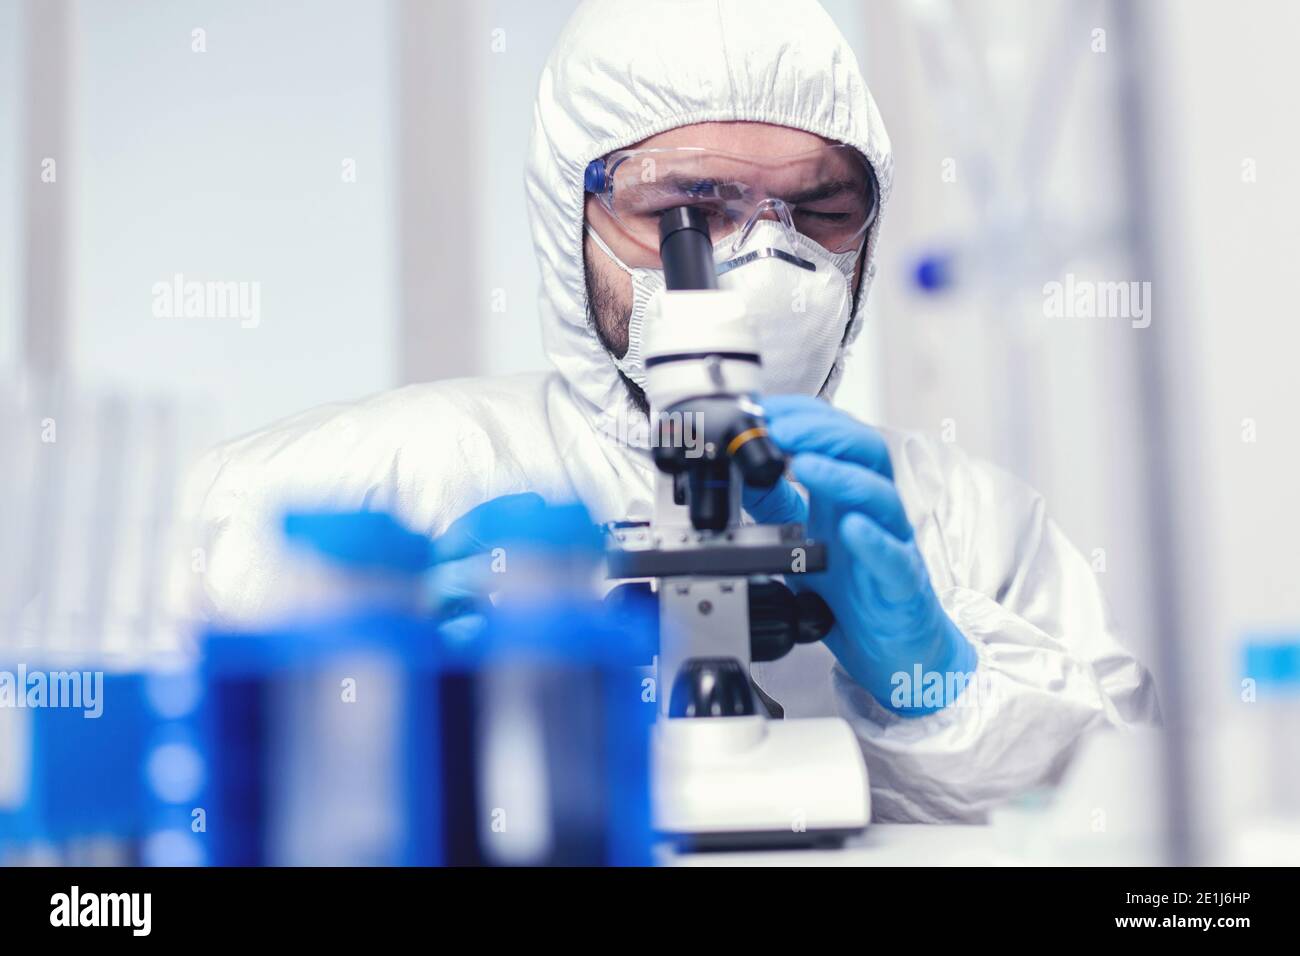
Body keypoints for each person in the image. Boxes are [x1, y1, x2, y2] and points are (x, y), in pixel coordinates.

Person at [180, 0, 1159, 822]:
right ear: (571, 222)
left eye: (820, 211)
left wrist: (937, 677)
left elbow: (1134, 831)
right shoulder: (364, 481)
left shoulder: (964, 520)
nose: (766, 262)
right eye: (687, 214)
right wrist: (385, 698)